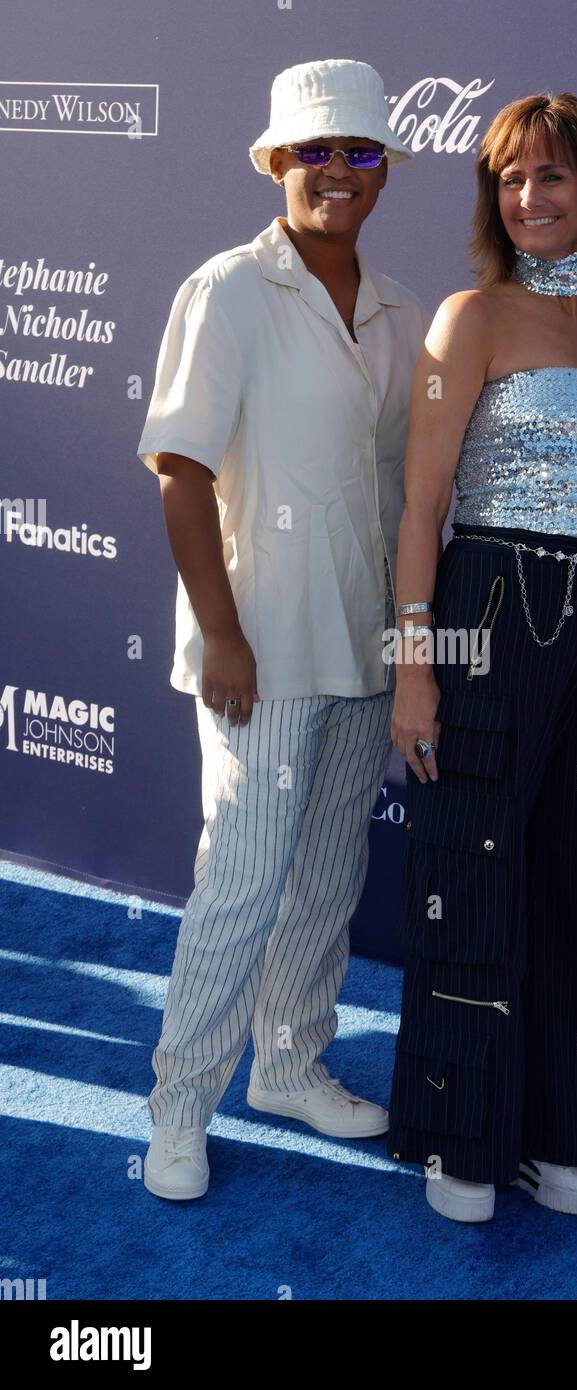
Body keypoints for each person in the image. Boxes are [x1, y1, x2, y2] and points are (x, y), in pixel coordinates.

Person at [136, 58, 428, 1200]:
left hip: (362, 647)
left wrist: (411, 648)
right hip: (256, 647)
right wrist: (223, 634)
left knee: (325, 873)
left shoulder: (401, 309)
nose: (336, 172)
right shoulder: (227, 289)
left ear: (383, 169)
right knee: (240, 881)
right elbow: (177, 472)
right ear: (274, 163)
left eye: (358, 152)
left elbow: (407, 495)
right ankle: (177, 1103)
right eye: (313, 152)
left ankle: (291, 1063)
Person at [385, 90, 577, 1222]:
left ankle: (562, 1133)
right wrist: (415, 665)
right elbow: (419, 508)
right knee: (473, 870)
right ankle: (464, 1138)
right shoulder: (469, 318)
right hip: (489, 598)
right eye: (507, 179)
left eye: (548, 176)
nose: (527, 197)